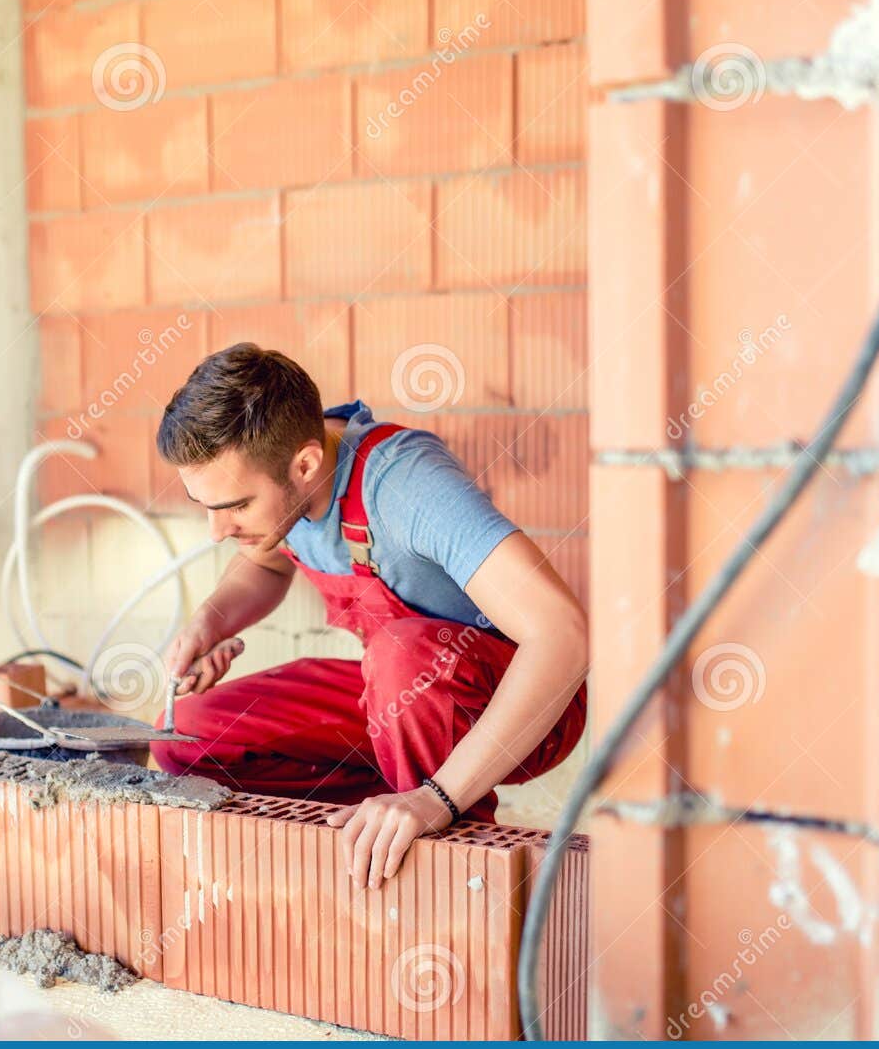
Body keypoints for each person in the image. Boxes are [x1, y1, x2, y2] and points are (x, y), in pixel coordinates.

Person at [153, 343, 588, 889]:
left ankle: (455, 871)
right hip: (400, 702)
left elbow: (563, 635)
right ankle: (377, 828)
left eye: (236, 507)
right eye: (206, 507)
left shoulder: (406, 485)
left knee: (400, 655)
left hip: (525, 704)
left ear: (306, 464)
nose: (217, 533)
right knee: (185, 739)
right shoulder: (282, 470)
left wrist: (437, 798)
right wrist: (210, 621)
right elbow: (264, 564)